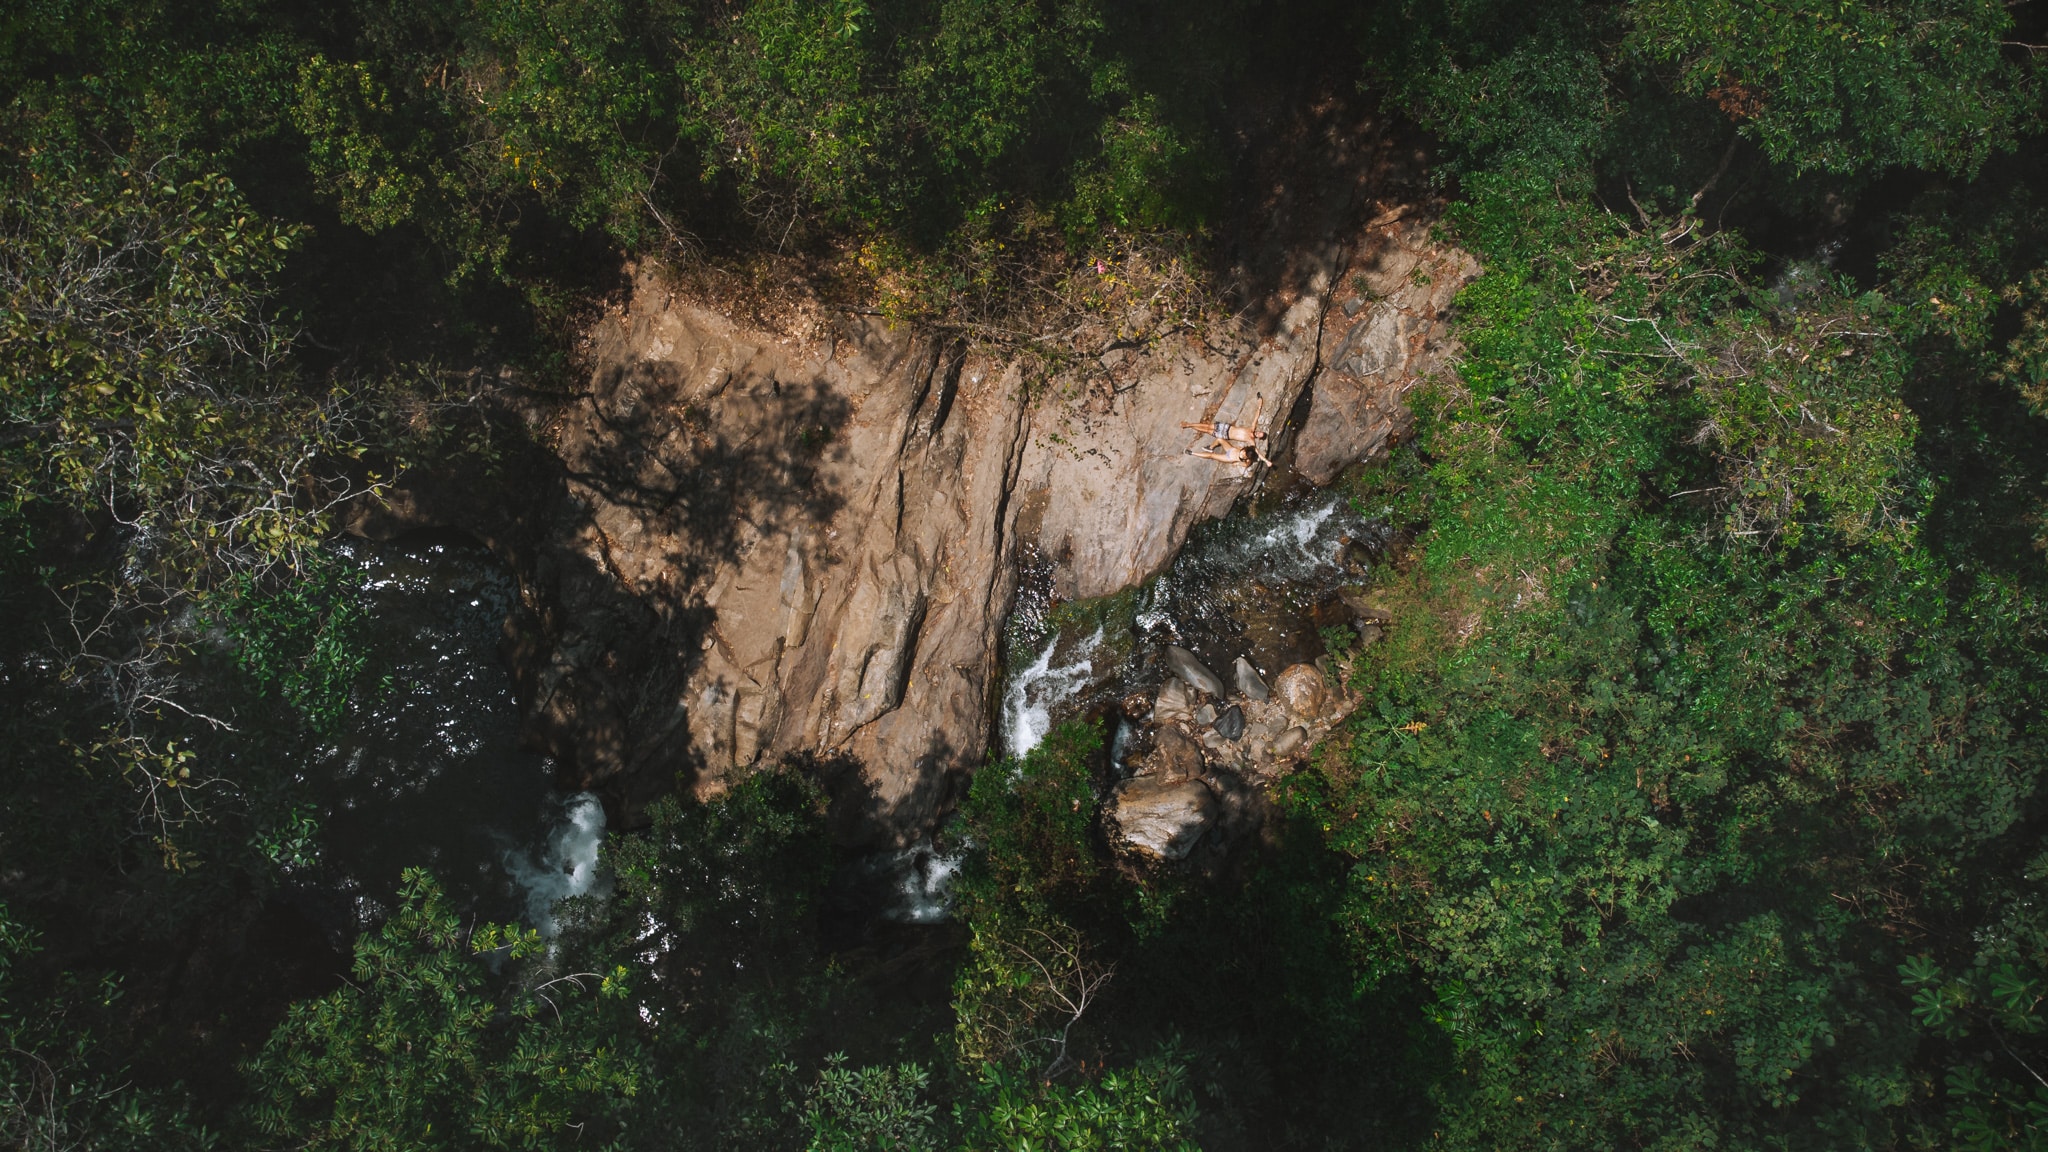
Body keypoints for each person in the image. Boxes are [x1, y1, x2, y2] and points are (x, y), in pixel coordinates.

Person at [1182, 395, 1270, 466]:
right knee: (1208, 426)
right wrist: (1260, 404)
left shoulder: (1251, 441)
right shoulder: (1252, 429)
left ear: (1258, 438)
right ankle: (1189, 425)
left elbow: (1258, 454)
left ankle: (1192, 451)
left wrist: (1266, 461)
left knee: (1207, 431)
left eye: (1259, 435)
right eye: (1259, 432)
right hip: (1227, 428)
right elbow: (1256, 417)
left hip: (1226, 436)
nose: (1258, 433)